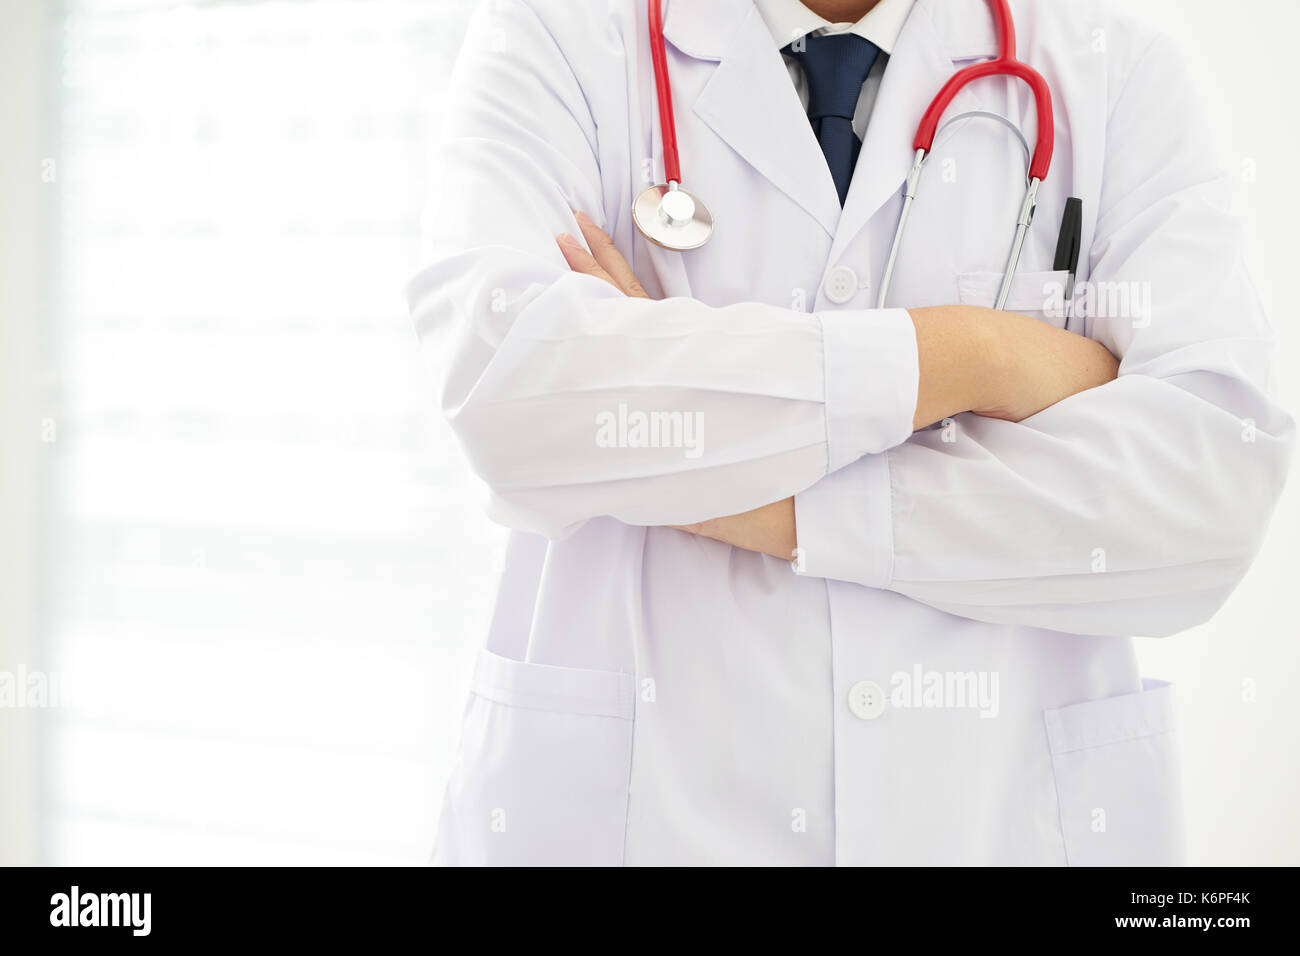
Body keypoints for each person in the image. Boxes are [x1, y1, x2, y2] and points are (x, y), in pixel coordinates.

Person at [406, 0, 1294, 865]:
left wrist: (769, 499)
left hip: (992, 817)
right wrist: (975, 354)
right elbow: (513, 394)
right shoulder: (557, 38)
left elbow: (1208, 489)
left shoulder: (1112, 67)